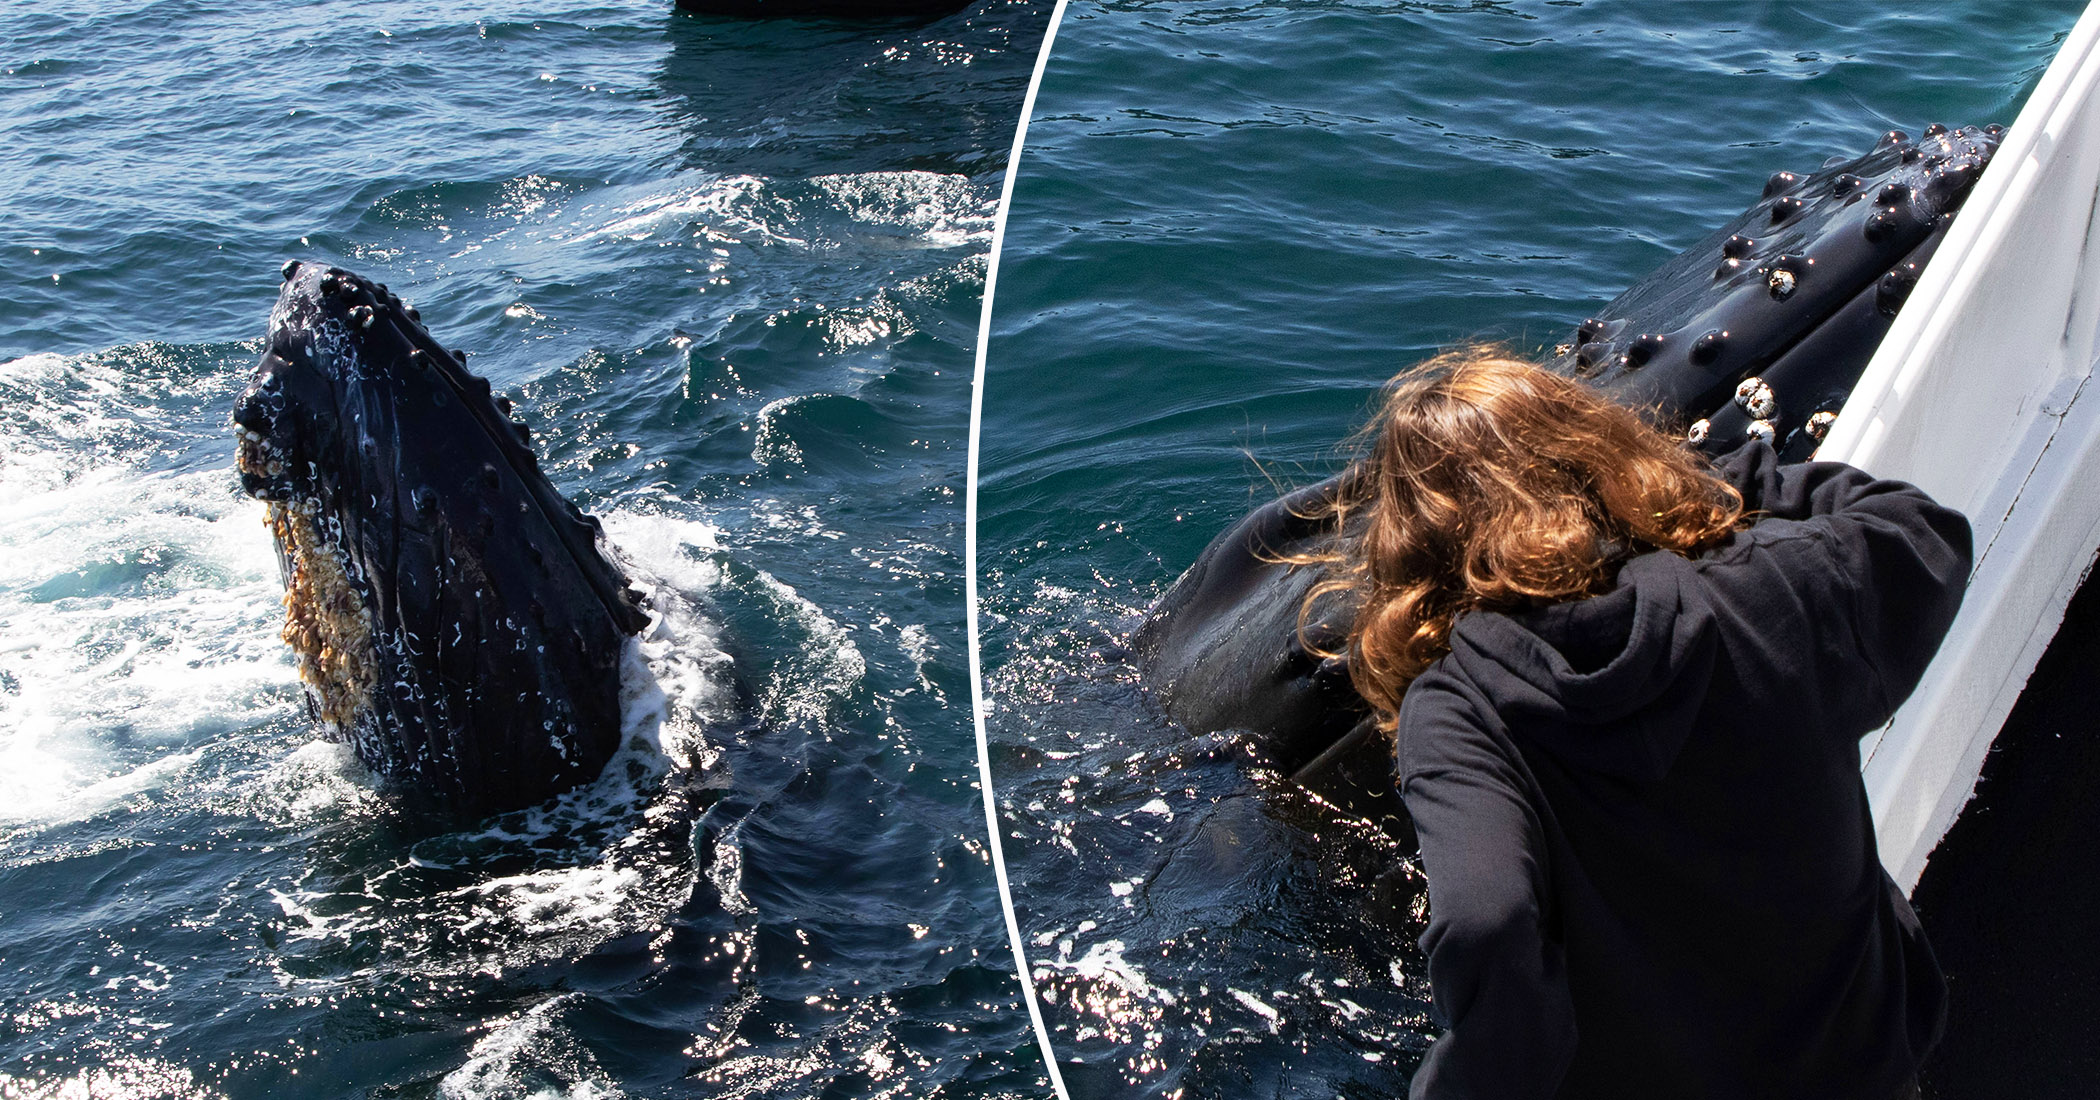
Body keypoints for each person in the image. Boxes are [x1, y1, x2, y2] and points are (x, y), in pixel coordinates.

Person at [1302, 347, 1971, 1099]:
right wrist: (1709, 485)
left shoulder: (1458, 709)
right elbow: (1923, 532)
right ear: (1598, 462)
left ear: (1412, 549)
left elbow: (1488, 924)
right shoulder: (1771, 589)